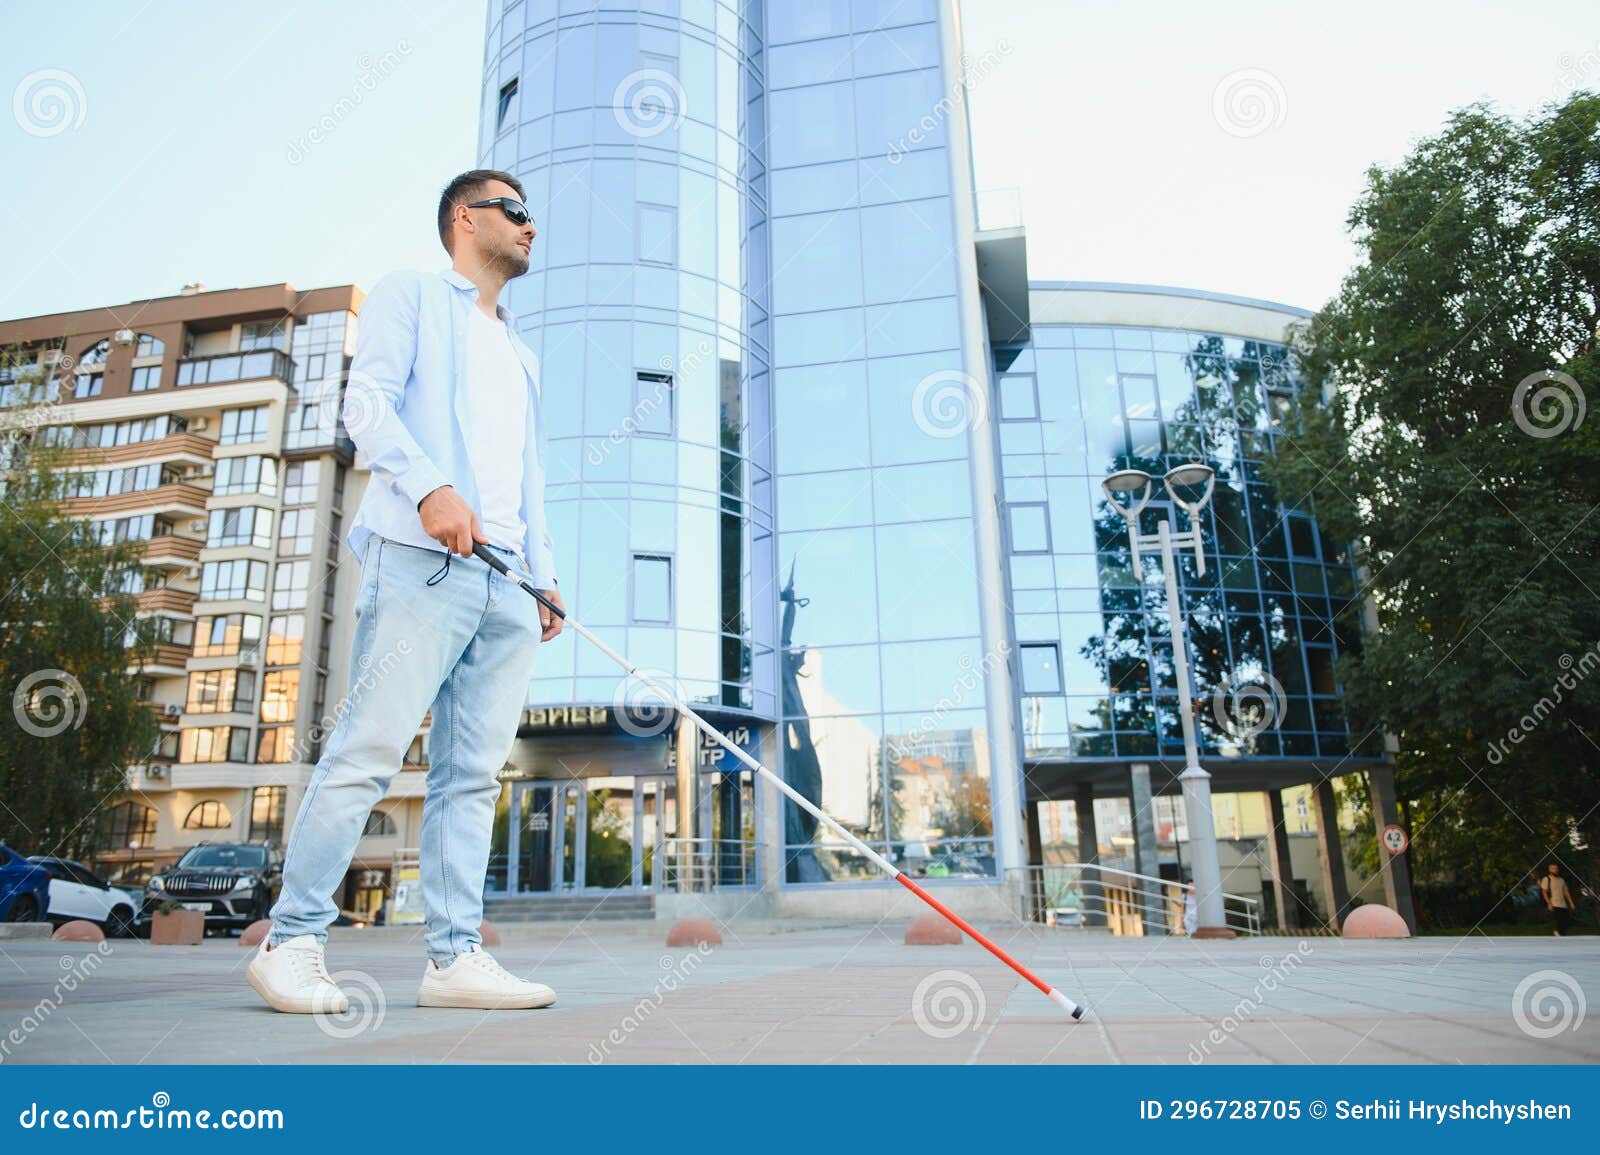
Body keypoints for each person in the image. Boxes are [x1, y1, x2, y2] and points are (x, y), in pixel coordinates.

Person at [247, 170, 564, 1014]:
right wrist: (430, 487)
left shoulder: (521, 352)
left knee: (472, 777)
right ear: (466, 217)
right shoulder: (411, 296)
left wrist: (548, 577)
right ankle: (292, 941)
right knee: (368, 750)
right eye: (517, 212)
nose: (533, 228)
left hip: (507, 586)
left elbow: (529, 479)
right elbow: (367, 403)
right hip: (421, 561)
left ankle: (454, 957)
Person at [1539, 863, 1576, 937]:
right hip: (1554, 903)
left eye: (1556, 869)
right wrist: (1549, 903)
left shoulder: (1561, 880)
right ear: (1550, 870)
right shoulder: (1547, 879)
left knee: (1566, 921)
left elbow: (1566, 892)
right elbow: (1544, 892)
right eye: (1553, 868)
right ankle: (1558, 934)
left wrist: (1571, 903)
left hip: (1563, 904)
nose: (1555, 870)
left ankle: (1561, 934)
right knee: (1559, 920)